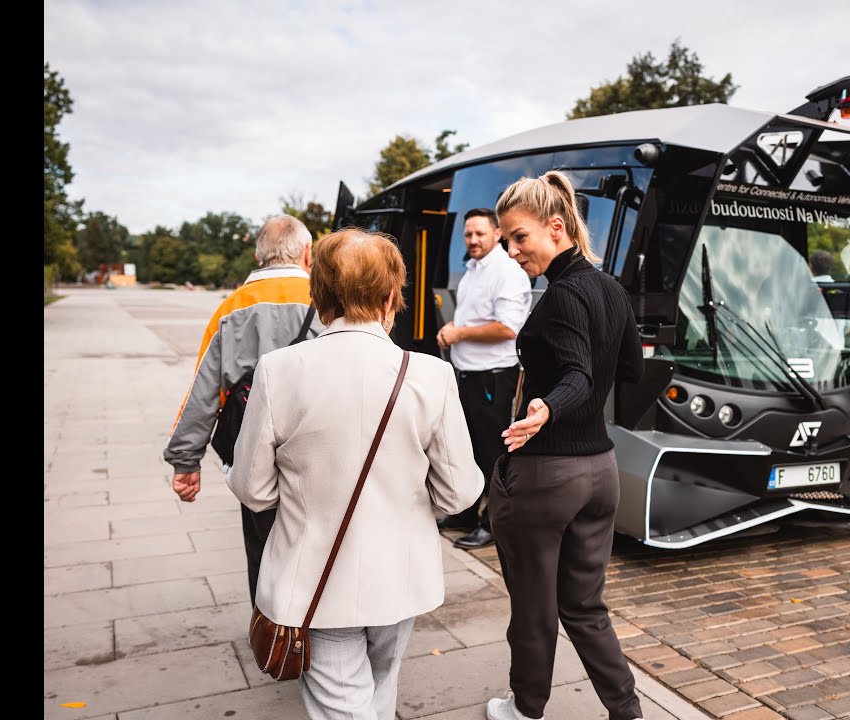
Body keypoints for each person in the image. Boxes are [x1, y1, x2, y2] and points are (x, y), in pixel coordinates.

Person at [226, 227, 484, 720]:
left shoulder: (278, 370)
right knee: (381, 686)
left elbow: (253, 489)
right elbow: (459, 493)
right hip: (403, 575)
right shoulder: (429, 373)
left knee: (342, 705)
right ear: (392, 295)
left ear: (318, 294)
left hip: (315, 574)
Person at [485, 171, 646, 720]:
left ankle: (525, 709)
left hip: (548, 476)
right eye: (506, 240)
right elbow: (632, 369)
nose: (511, 251)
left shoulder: (561, 297)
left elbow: (576, 374)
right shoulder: (611, 289)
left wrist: (545, 408)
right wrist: (582, 386)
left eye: (519, 237)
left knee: (534, 607)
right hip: (601, 471)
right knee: (585, 606)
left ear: (556, 228)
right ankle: (627, 711)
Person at [165, 214, 325, 605]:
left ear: (258, 255)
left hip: (252, 450)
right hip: (319, 446)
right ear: (307, 253)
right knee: (319, 539)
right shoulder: (328, 299)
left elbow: (203, 391)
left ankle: (270, 628)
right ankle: (316, 623)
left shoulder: (232, 307)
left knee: (262, 539)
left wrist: (185, 460)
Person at [435, 208, 531, 549]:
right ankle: (465, 514)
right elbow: (473, 318)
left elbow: (508, 329)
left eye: (479, 233)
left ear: (496, 235)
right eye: (468, 234)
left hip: (493, 377)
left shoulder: (506, 271)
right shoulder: (474, 268)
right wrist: (454, 331)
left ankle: (492, 525)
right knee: (468, 448)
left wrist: (459, 334)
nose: (472, 240)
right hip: (468, 374)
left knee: (492, 453)